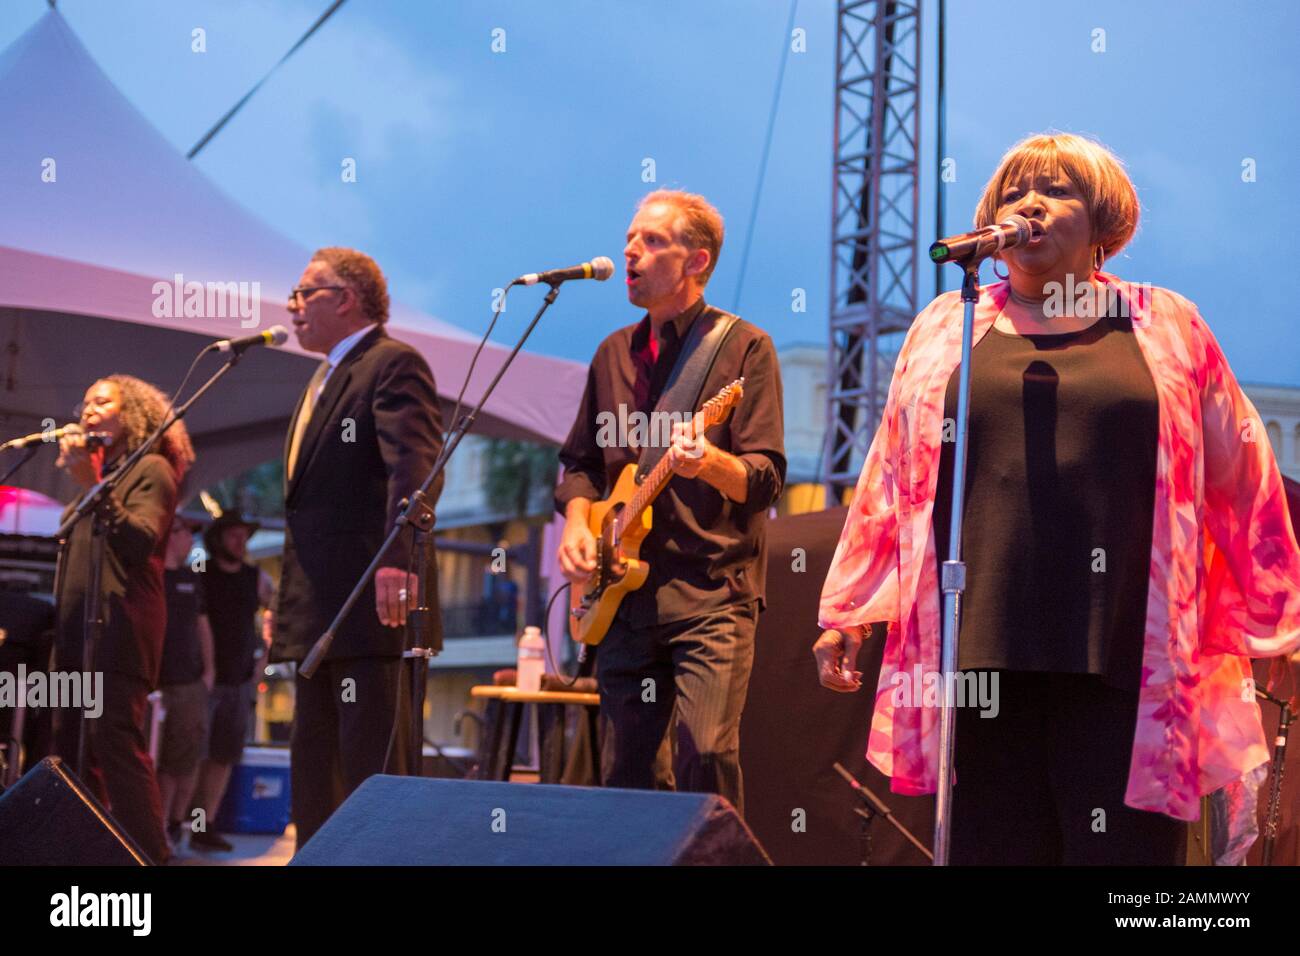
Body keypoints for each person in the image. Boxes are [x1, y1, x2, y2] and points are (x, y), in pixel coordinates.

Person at [813, 132, 1300, 865]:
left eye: (1057, 190)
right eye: (1013, 192)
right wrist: (846, 610)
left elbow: (1243, 474)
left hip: (1127, 656)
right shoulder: (950, 327)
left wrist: (1279, 625)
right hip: (979, 648)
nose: (1029, 204)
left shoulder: (1165, 323)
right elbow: (892, 475)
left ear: (1104, 224)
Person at [555, 189, 786, 814]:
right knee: (627, 776)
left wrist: (708, 462)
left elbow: (765, 478)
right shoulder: (610, 354)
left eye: (653, 240)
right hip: (624, 600)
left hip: (712, 591)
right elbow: (578, 465)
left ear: (697, 261)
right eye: (631, 237)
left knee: (705, 754)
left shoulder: (743, 348)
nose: (631, 250)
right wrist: (579, 521)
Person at [271, 247, 444, 849]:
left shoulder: (392, 364)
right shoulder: (321, 379)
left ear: (345, 298)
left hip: (372, 606)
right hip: (318, 611)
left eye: (304, 294)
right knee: (314, 773)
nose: (292, 308)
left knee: (370, 777)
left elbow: (415, 471)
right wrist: (288, 605)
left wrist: (397, 559)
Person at [53, 374, 195, 864]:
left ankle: (153, 858)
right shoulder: (106, 477)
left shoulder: (151, 469)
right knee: (71, 744)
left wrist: (92, 486)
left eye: (103, 401)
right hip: (76, 634)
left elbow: (139, 542)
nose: (88, 410)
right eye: (85, 402)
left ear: (130, 413)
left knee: (114, 742)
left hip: (119, 631)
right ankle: (83, 853)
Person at [190, 511, 274, 852]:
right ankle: (183, 821)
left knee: (224, 756)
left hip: (240, 678)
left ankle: (204, 824)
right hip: (204, 679)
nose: (240, 542)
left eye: (244, 536)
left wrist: (264, 659)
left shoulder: (255, 577)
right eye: (233, 536)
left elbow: (276, 612)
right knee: (194, 755)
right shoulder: (203, 574)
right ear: (219, 538)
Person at [156, 513, 214, 852]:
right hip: (157, 682)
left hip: (189, 681)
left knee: (188, 756)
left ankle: (176, 825)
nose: (189, 539)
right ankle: (159, 826)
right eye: (183, 532)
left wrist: (210, 671)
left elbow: (202, 626)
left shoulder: (193, 579)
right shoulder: (151, 578)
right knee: (161, 759)